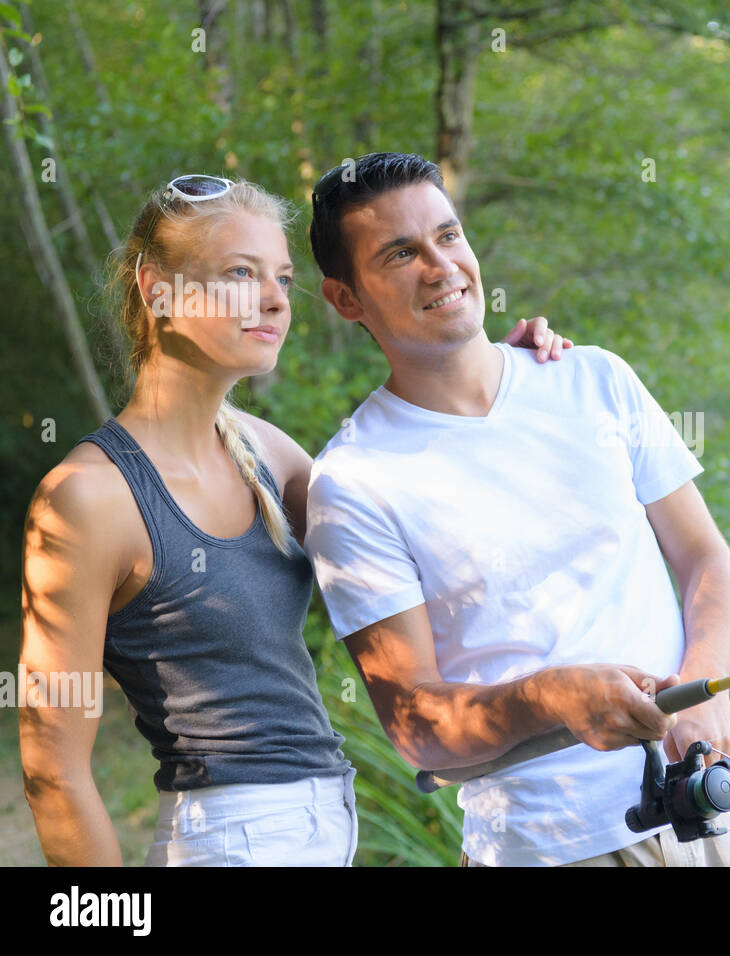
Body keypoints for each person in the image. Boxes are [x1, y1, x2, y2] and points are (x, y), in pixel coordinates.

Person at [18, 173, 569, 866]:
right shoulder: (88, 498)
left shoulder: (269, 455)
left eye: (281, 276)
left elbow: (423, 530)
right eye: (241, 273)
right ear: (159, 291)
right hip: (222, 840)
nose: (277, 298)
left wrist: (495, 374)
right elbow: (52, 772)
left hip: (330, 825)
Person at [304, 152, 730, 866]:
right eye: (400, 253)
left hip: (715, 808)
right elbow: (413, 723)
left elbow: (704, 561)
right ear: (346, 299)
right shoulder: (352, 481)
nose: (440, 267)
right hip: (547, 847)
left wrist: (703, 692)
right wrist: (547, 698)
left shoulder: (594, 377)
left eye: (448, 235)